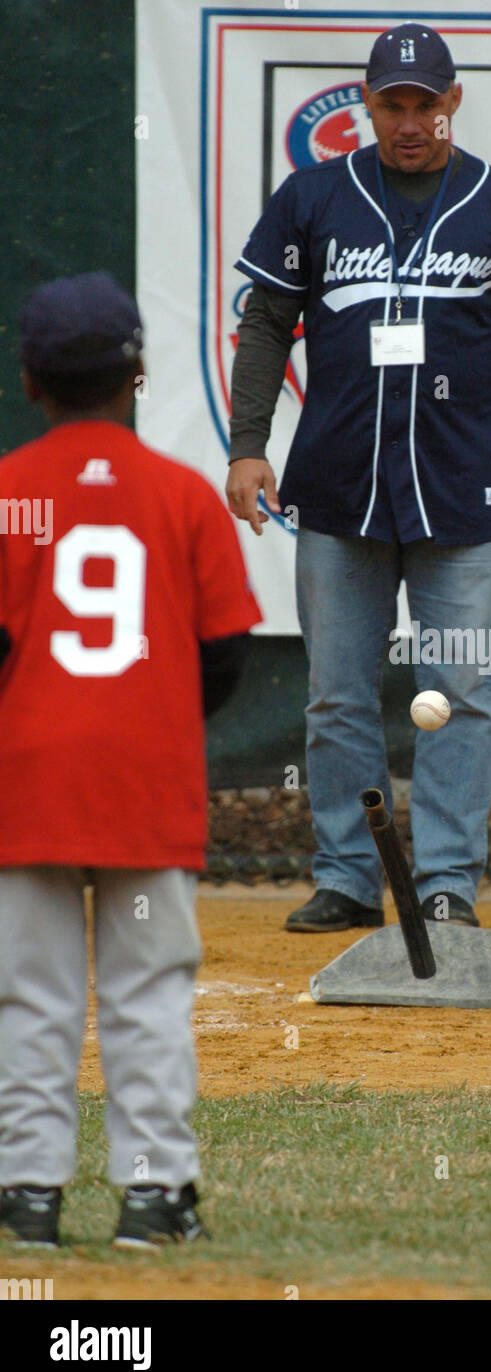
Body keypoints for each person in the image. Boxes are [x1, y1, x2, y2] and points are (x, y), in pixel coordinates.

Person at [226, 22, 491, 933]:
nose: (409, 119)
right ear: (366, 101)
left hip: (461, 496)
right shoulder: (312, 197)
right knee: (338, 694)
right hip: (339, 491)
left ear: (452, 100)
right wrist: (247, 443)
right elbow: (265, 324)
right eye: (393, 102)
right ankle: (347, 873)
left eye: (426, 101)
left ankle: (447, 882)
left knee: (459, 693)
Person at [0, 271, 262, 1249]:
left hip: (25, 786)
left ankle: (30, 1193)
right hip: (146, 788)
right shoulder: (182, 495)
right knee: (146, 995)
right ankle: (153, 1199)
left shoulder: (10, 495)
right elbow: (225, 653)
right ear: (139, 371)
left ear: (31, 380)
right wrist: (150, 719)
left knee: (30, 993)